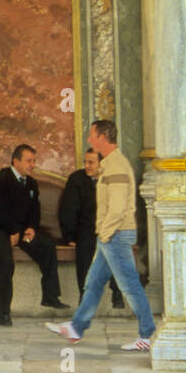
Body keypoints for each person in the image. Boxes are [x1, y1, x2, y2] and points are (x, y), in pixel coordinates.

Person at [48, 120, 156, 351]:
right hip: (110, 235)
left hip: (115, 235)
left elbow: (117, 208)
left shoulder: (116, 166)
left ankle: (148, 335)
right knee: (94, 283)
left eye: (92, 135)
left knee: (129, 286)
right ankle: (77, 327)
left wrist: (105, 234)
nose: (89, 140)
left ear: (102, 137)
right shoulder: (111, 164)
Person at [0, 144, 68, 326]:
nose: (32, 164)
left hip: (19, 231)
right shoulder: (0, 179)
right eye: (29, 160)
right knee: (6, 262)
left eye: (34, 161)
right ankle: (4, 312)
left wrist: (31, 228)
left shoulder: (31, 183)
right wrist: (12, 230)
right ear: (16, 161)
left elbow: (34, 210)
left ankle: (50, 296)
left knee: (47, 246)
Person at [58, 148, 124, 308]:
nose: (87, 166)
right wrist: (70, 236)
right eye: (85, 162)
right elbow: (68, 209)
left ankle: (117, 291)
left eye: (91, 162)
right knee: (86, 248)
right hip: (86, 227)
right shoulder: (76, 179)